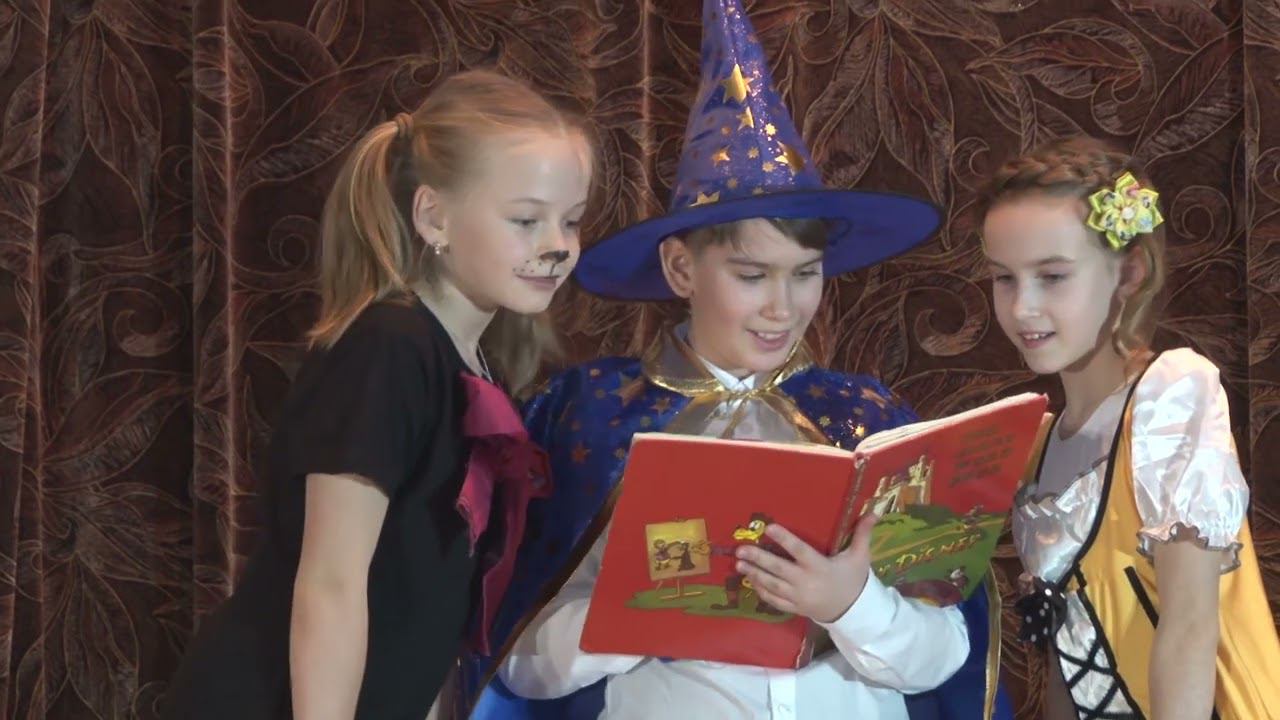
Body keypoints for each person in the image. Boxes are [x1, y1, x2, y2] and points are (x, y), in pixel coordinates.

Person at [458, 2, 1014, 718]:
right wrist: (633, 608)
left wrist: (850, 603)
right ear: (681, 269)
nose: (784, 307)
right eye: (752, 276)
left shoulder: (867, 420)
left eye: (805, 274)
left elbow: (944, 655)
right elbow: (519, 662)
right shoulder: (591, 416)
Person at [162, 69, 594, 720]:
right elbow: (331, 584)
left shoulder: (475, 366)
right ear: (434, 217)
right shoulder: (389, 350)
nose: (557, 247)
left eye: (572, 221)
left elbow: (429, 605)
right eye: (526, 220)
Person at [981, 135, 1280, 719]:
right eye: (1004, 278)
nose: (1022, 308)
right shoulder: (1039, 447)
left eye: (1052, 277)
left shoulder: (1171, 398)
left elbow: (1189, 629)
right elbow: (1065, 665)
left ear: (1130, 273)